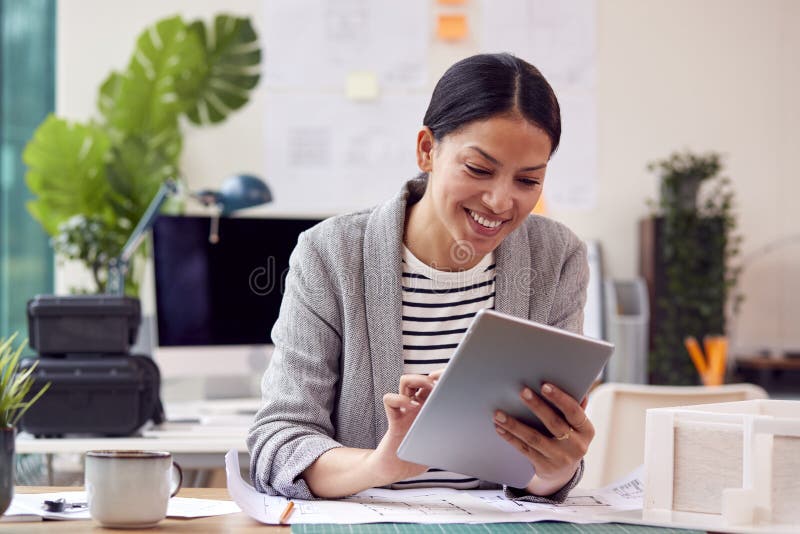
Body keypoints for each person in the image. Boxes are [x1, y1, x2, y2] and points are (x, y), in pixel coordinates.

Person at [248, 53, 594, 503]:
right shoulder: (331, 254)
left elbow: (543, 473)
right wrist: (379, 465)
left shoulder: (558, 257)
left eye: (528, 180)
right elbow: (278, 445)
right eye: (479, 169)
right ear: (427, 149)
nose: (499, 201)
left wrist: (557, 466)